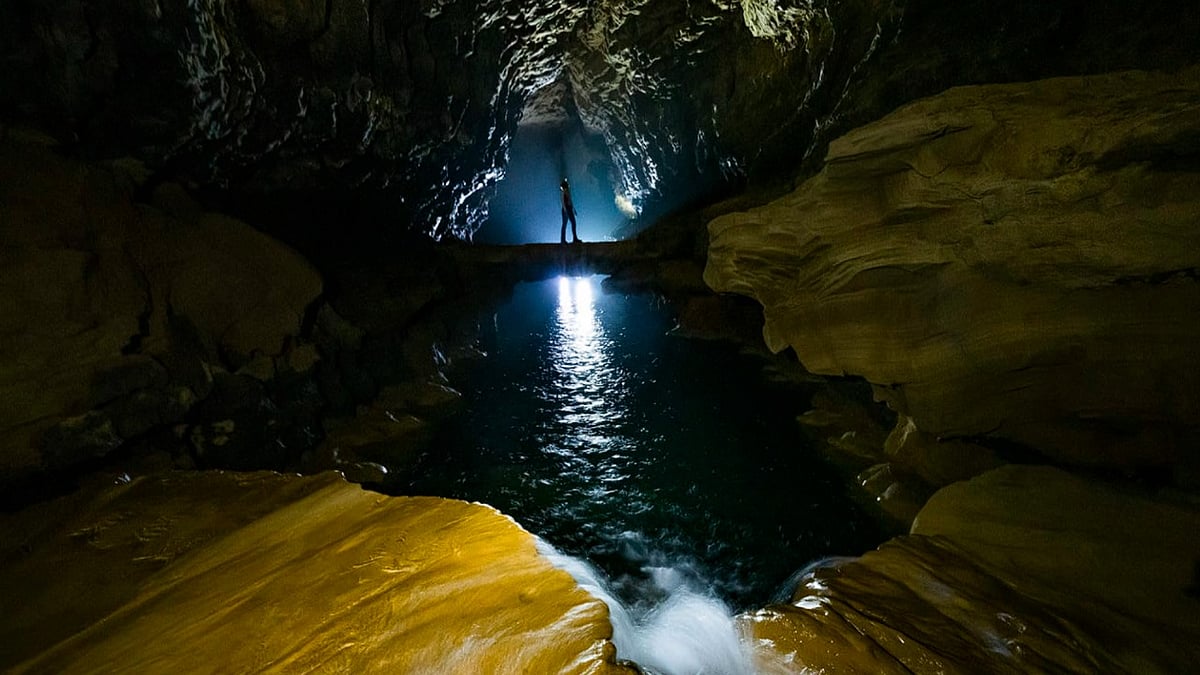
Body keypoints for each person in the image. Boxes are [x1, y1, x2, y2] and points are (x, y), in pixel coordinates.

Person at [560, 178, 580, 244]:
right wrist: (566, 210)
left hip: (568, 209)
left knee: (567, 224)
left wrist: (573, 209)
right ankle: (569, 239)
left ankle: (565, 240)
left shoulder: (566, 192)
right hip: (567, 209)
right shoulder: (563, 193)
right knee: (571, 223)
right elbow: (563, 202)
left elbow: (570, 201)